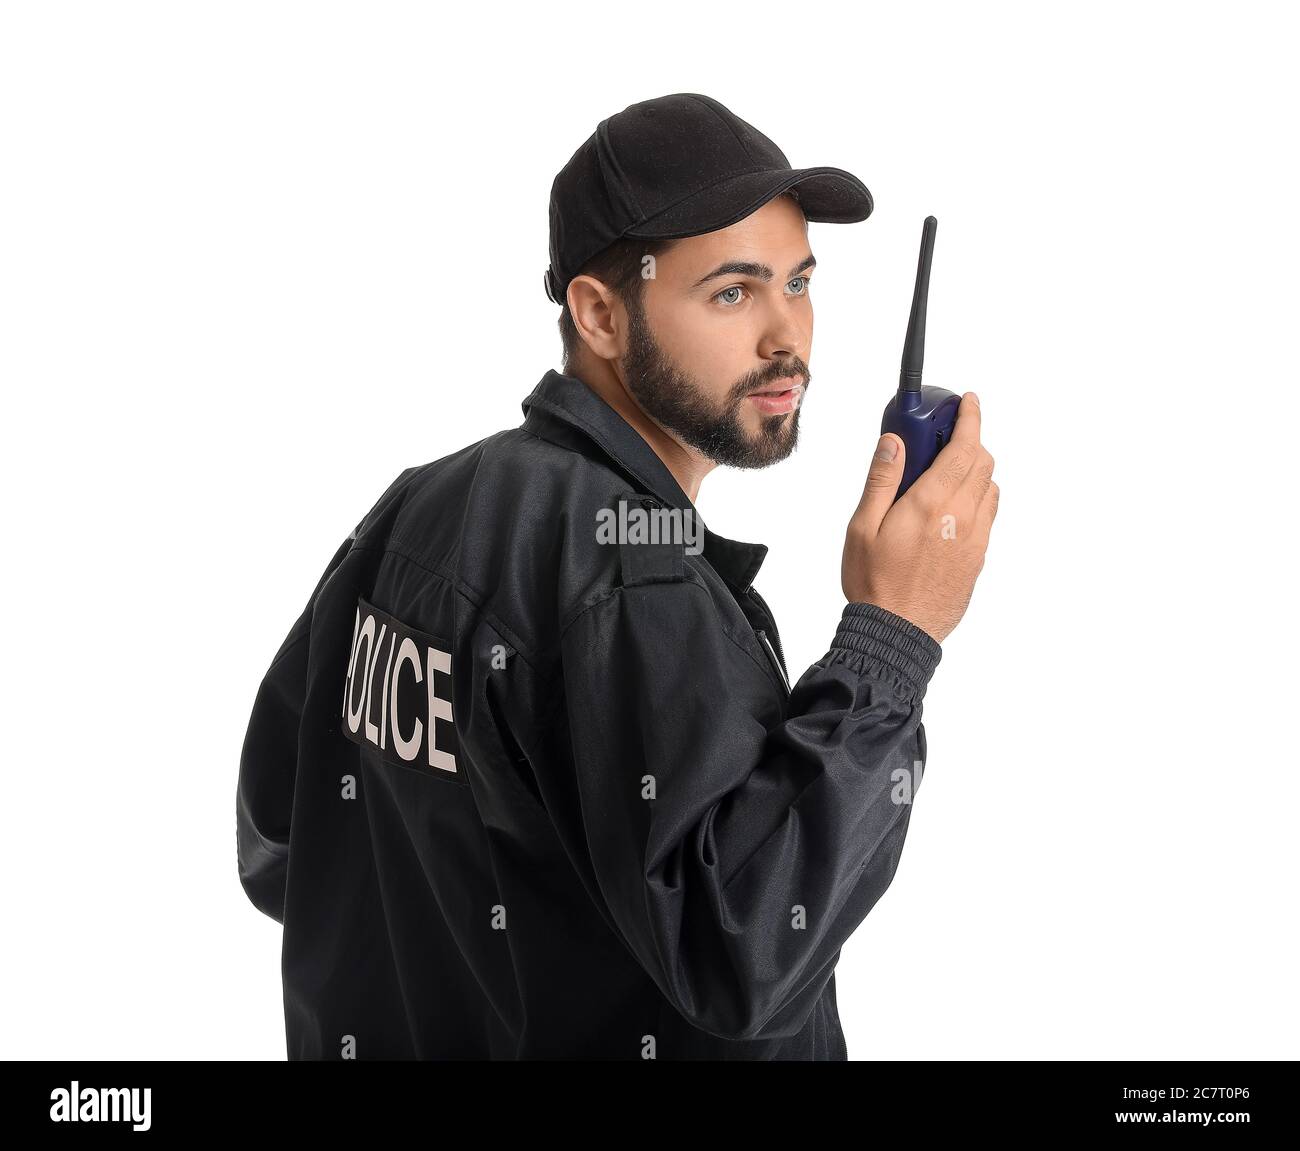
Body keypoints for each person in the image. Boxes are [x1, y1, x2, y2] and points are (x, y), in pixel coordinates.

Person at [236, 92, 998, 1060]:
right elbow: (746, 953)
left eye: (797, 284)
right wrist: (893, 631)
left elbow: (281, 836)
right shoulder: (636, 575)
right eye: (731, 291)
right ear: (599, 313)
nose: (785, 339)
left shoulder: (422, 505)